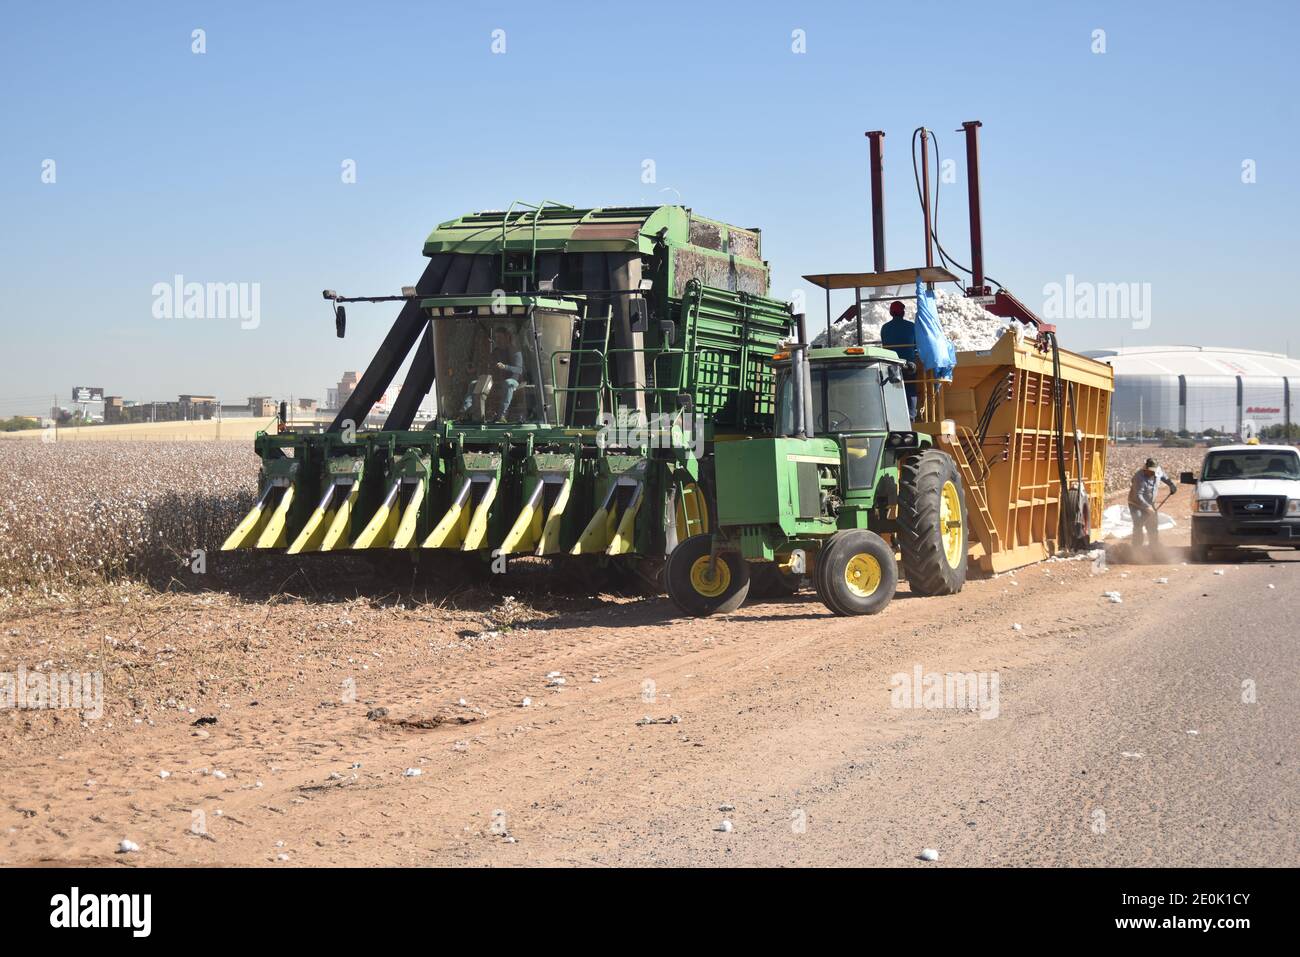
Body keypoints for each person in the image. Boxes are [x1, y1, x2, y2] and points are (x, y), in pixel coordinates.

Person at [460, 326, 524, 421]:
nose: (497, 340)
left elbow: (519, 370)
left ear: (507, 337)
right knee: (474, 384)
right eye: (496, 338)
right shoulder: (495, 352)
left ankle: (502, 415)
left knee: (507, 383)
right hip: (496, 381)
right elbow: (488, 365)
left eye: (500, 337)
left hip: (514, 381)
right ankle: (465, 412)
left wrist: (505, 367)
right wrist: (476, 369)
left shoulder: (515, 352)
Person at [880, 300, 919, 418]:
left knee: (893, 389)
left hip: (892, 366)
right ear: (903, 312)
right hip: (908, 365)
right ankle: (911, 416)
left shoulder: (885, 328)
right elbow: (916, 345)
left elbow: (884, 345)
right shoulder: (911, 326)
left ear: (891, 313)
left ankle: (895, 416)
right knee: (910, 389)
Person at [1128, 457, 1177, 549]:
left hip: (1150, 502)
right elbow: (1138, 495)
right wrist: (1147, 507)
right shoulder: (1139, 477)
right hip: (1136, 504)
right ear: (1145, 468)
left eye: (1154, 471)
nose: (1152, 473)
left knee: (1153, 524)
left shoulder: (1158, 471)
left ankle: (1154, 546)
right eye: (1150, 471)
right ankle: (1136, 548)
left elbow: (1165, 477)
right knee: (1138, 523)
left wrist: (1171, 485)